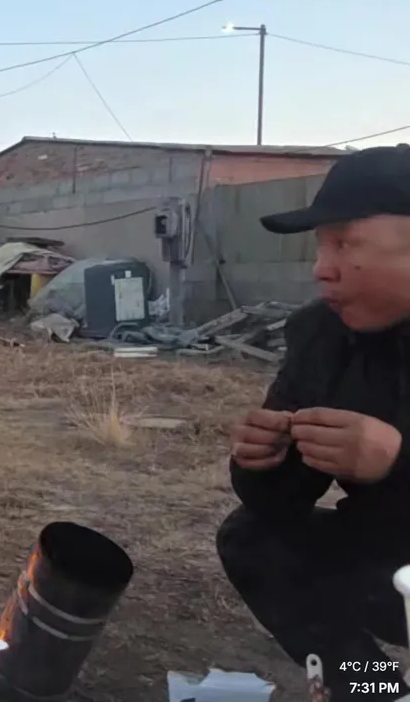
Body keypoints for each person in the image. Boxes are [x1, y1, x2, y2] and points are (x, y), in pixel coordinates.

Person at [217, 145, 410, 700]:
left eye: (345, 243)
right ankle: (372, 691)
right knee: (254, 540)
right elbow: (277, 504)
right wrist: (263, 462)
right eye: (321, 245)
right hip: (387, 560)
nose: (321, 268)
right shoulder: (321, 336)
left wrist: (397, 463)